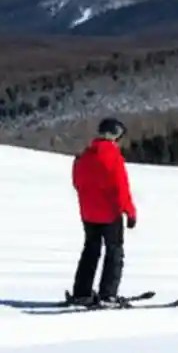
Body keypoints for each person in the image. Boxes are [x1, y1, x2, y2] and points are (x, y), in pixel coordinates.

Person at [69, 118, 137, 307]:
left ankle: (81, 292)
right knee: (114, 252)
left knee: (91, 250)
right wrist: (130, 212)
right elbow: (121, 187)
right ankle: (108, 294)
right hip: (110, 214)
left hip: (88, 214)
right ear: (115, 136)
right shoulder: (113, 157)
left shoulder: (84, 156)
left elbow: (77, 183)